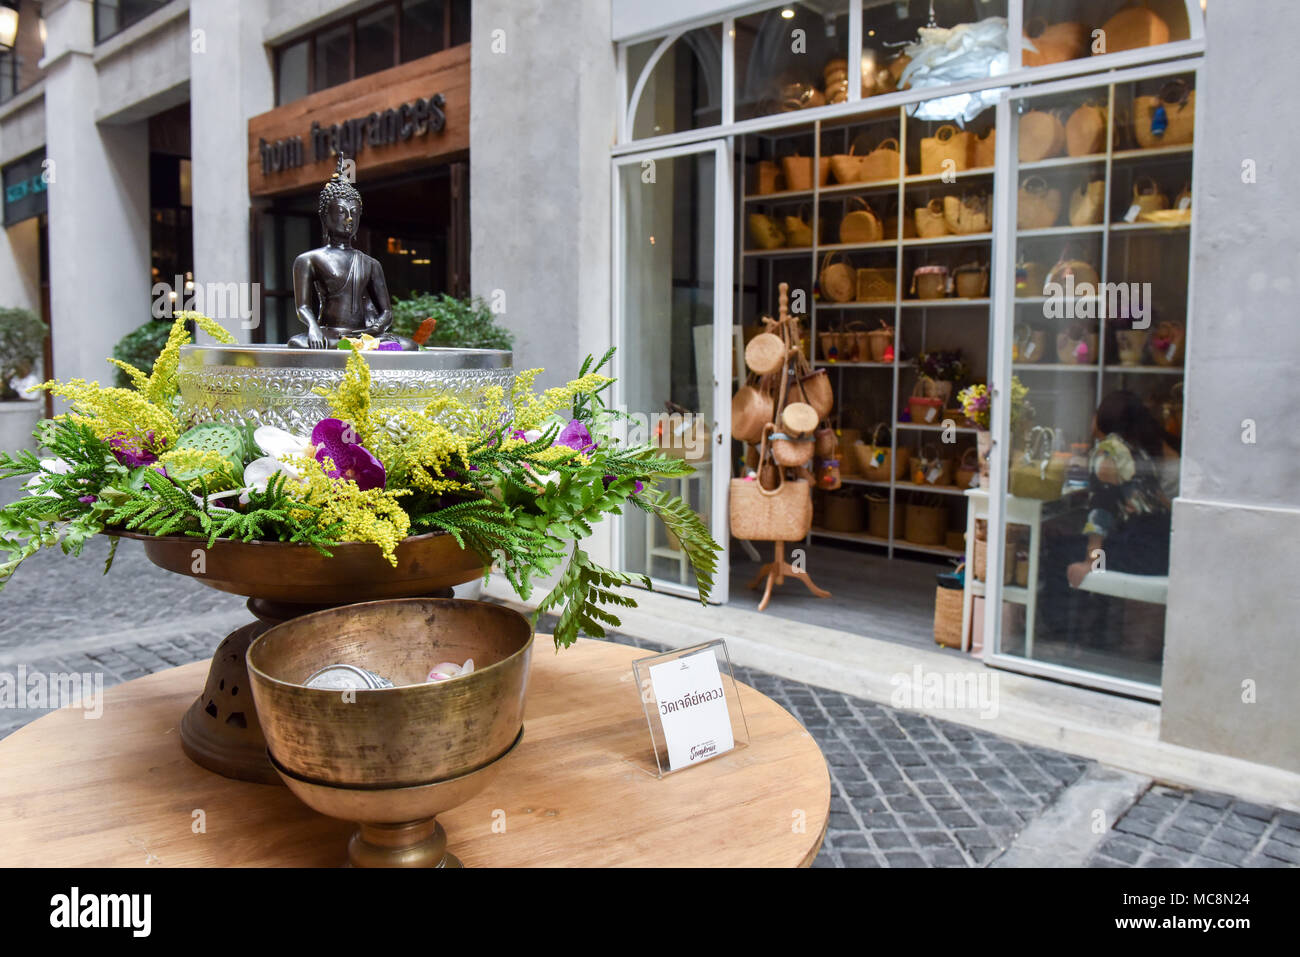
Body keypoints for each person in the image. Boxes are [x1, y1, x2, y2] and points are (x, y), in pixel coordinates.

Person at [288, 153, 415, 350]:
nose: (349, 219)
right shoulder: (309, 260)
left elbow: (386, 313)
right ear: (325, 217)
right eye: (341, 212)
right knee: (299, 344)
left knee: (408, 346)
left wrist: (375, 329)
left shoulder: (370, 263)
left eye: (354, 213)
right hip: (331, 334)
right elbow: (303, 307)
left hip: (363, 335)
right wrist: (313, 328)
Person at [1067, 390, 1179, 588]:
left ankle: (1063, 618)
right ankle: (1099, 616)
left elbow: (1101, 510)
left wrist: (1093, 563)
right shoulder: (1141, 451)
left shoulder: (1107, 451)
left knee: (1058, 554)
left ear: (1103, 417)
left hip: (1140, 552)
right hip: (1165, 552)